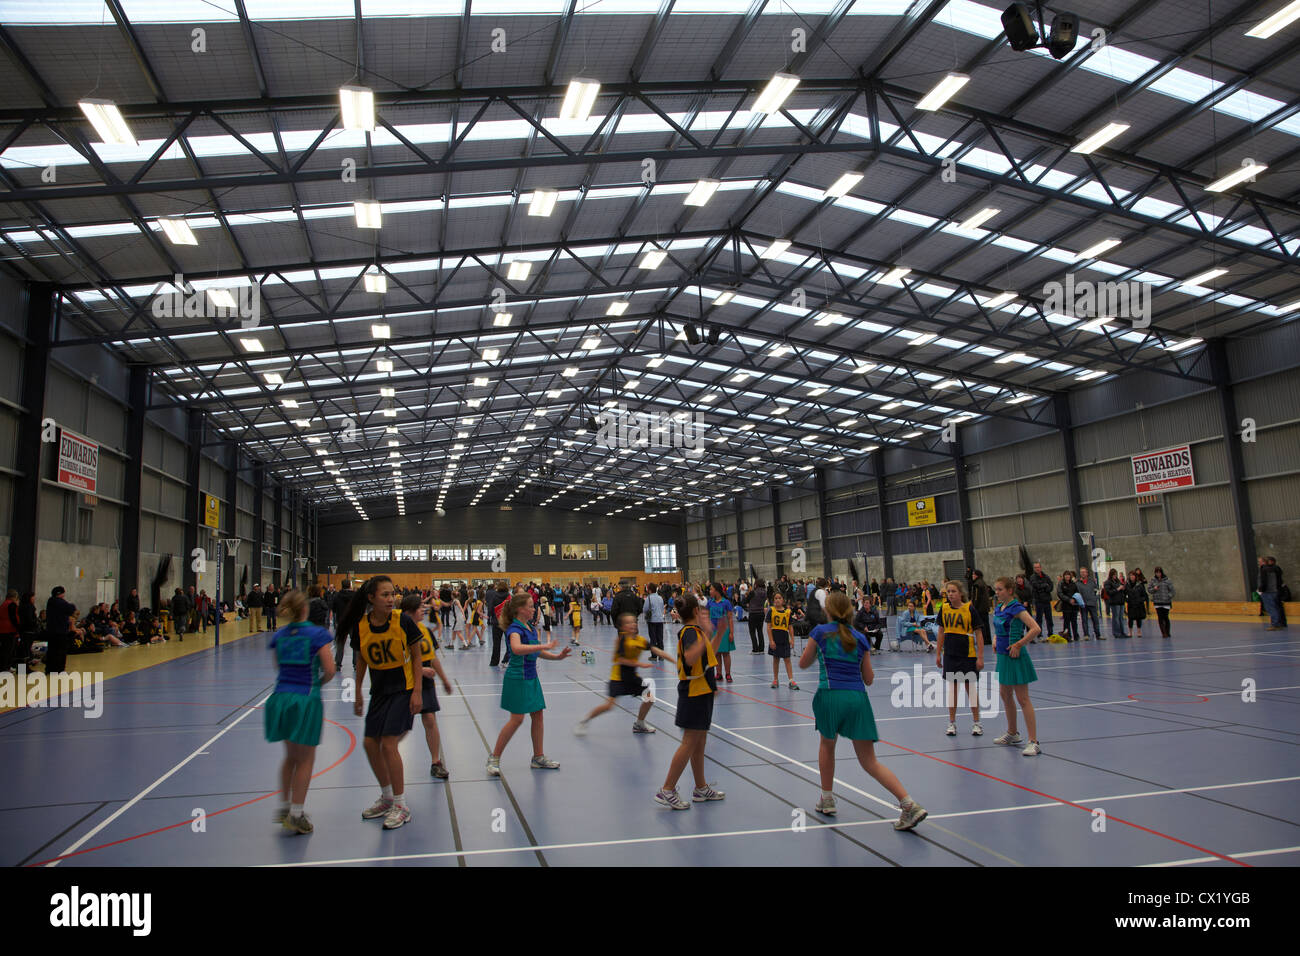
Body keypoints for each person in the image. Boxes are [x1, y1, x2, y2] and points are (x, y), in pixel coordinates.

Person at [798, 590, 927, 829]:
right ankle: (909, 804)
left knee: (827, 745)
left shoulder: (819, 633)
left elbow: (803, 663)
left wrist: (820, 652)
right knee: (870, 761)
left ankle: (827, 799)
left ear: (828, 610)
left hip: (830, 695)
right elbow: (869, 679)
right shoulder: (860, 638)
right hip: (858, 698)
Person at [338, 575, 424, 830]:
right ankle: (387, 797)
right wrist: (358, 691)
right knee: (368, 743)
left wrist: (417, 691)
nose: (391, 599)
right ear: (371, 598)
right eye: (385, 595)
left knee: (388, 744)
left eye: (392, 594)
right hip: (380, 691)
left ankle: (401, 805)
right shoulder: (361, 626)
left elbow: (417, 656)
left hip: (403, 688)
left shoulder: (403, 621)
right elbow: (362, 659)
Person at [264, 589, 336, 834]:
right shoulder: (317, 634)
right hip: (305, 698)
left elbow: (277, 666)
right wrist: (318, 684)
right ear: (305, 609)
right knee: (306, 759)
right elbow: (330, 669)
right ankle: (296, 813)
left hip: (280, 697)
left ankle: (285, 807)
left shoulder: (280, 635)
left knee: (290, 757)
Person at [487, 592, 572, 776]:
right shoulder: (514, 629)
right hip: (517, 678)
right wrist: (543, 646)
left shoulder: (530, 628)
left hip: (532, 677)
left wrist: (557, 657)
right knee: (517, 720)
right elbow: (517, 649)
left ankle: (538, 757)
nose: (534, 609)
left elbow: (535, 652)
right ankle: (494, 758)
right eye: (531, 606)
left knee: (538, 716)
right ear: (520, 609)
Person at [654, 592, 725, 810]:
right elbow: (691, 657)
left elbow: (706, 654)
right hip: (693, 692)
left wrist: (717, 633)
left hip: (702, 689)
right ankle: (667, 789)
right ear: (696, 611)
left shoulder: (695, 632)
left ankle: (701, 787)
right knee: (689, 742)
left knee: (699, 741)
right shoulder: (691, 633)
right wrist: (707, 630)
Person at [574, 612, 673, 735]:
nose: (632, 624)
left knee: (649, 698)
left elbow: (656, 650)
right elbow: (621, 660)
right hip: (618, 678)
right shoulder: (621, 640)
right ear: (622, 627)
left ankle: (639, 724)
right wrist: (640, 664)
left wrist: (674, 661)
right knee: (609, 706)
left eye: (633, 621)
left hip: (632, 677)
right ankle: (585, 720)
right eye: (628, 622)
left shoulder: (640, 640)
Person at [400, 594, 455, 779]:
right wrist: (421, 670)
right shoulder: (399, 631)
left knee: (430, 720)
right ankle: (388, 756)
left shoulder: (424, 630)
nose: (423, 610)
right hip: (406, 681)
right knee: (402, 726)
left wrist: (445, 680)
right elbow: (399, 661)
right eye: (419, 608)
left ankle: (435, 762)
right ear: (407, 612)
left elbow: (432, 658)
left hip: (426, 683)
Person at [990, 577, 1042, 755]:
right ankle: (1012, 733)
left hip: (1016, 656)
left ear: (1010, 590)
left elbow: (1035, 628)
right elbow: (998, 629)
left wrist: (1019, 644)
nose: (997, 593)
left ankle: (1033, 741)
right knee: (1005, 694)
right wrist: (996, 639)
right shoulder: (999, 608)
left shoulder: (1017, 608)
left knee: (1023, 698)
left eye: (1000, 589)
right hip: (1003, 657)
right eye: (996, 589)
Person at [937, 580, 984, 737]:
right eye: (948, 591)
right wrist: (938, 653)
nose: (950, 594)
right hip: (950, 654)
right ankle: (952, 722)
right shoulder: (943, 609)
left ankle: (977, 723)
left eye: (953, 591)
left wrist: (981, 657)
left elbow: (978, 633)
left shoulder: (969, 608)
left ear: (961, 593)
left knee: (970, 689)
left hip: (967, 654)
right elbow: (941, 631)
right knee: (953, 690)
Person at [766, 590, 798, 689]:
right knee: (776, 659)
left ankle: (791, 680)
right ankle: (775, 680)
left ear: (783, 600)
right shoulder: (771, 610)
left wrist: (792, 639)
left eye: (780, 598)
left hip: (784, 638)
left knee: (787, 659)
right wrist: (771, 640)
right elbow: (768, 627)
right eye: (776, 598)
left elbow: (790, 627)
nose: (778, 600)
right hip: (775, 637)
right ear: (773, 600)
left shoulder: (788, 612)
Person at [706, 581, 736, 683]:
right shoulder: (710, 602)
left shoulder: (726, 602)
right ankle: (718, 674)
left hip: (724, 631)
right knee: (716, 654)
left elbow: (730, 618)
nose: (709, 591)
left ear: (717, 591)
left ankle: (728, 674)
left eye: (711, 589)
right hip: (713, 632)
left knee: (726, 653)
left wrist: (731, 632)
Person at [44, 587, 77, 674]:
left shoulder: (50, 601)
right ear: (61, 594)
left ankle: (49, 669)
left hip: (51, 630)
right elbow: (71, 608)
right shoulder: (60, 602)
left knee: (51, 650)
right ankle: (59, 670)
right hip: (60, 631)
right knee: (60, 651)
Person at [1258, 556, 1287, 631]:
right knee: (1277, 608)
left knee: (1271, 608)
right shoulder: (1277, 568)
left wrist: (1261, 589)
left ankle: (1275, 624)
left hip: (1268, 591)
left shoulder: (1264, 569)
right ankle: (1281, 623)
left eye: (1261, 561)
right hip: (1276, 591)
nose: (1260, 563)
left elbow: (1264, 581)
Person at [1148, 567, 1176, 639]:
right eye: (1156, 572)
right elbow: (1149, 590)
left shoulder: (1167, 580)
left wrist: (1168, 596)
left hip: (1166, 602)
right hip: (1157, 602)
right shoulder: (1153, 580)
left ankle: (1167, 632)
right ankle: (1163, 633)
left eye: (1159, 572)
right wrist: (1154, 589)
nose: (1158, 574)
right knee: (1160, 618)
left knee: (1166, 617)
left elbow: (1172, 591)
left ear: (1162, 572)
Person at [1028, 562, 1054, 637]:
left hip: (1047, 600)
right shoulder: (1033, 577)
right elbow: (1036, 586)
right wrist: (1045, 585)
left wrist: (1046, 588)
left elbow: (1051, 585)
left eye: (1038, 567)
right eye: (1035, 567)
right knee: (1039, 619)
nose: (1037, 569)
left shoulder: (1046, 576)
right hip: (1038, 601)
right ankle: (1039, 635)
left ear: (1041, 567)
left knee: (1049, 618)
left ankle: (1050, 633)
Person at [1124, 570, 1149, 638]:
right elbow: (1124, 594)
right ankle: (1130, 632)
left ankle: (1139, 631)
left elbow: (1144, 595)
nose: (1132, 577)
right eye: (1130, 575)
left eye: (1133, 575)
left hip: (1138, 604)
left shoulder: (1140, 585)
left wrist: (1141, 600)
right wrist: (1127, 600)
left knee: (1138, 618)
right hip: (1131, 604)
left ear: (1135, 576)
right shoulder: (1127, 585)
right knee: (1130, 618)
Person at [1057, 570, 1080, 642]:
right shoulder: (1061, 584)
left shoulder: (1073, 584)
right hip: (1066, 605)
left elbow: (1077, 593)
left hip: (1074, 606)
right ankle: (1068, 636)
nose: (1067, 576)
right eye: (1066, 575)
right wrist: (1068, 600)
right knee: (1066, 622)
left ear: (1070, 576)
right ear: (1064, 576)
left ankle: (1076, 635)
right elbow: (1060, 594)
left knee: (1074, 621)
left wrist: (1074, 600)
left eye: (1068, 575)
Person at [644, 583, 666, 654]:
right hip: (660, 620)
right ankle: (661, 655)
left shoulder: (649, 598)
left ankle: (654, 655)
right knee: (660, 638)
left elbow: (645, 609)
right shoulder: (660, 598)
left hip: (652, 621)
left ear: (649, 590)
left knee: (653, 639)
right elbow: (662, 609)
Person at [746, 580, 767, 653]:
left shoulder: (753, 592)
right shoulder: (765, 592)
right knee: (760, 631)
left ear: (756, 585)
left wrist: (746, 606)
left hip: (753, 613)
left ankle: (755, 649)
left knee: (752, 632)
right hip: (761, 613)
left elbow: (745, 601)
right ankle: (761, 649)